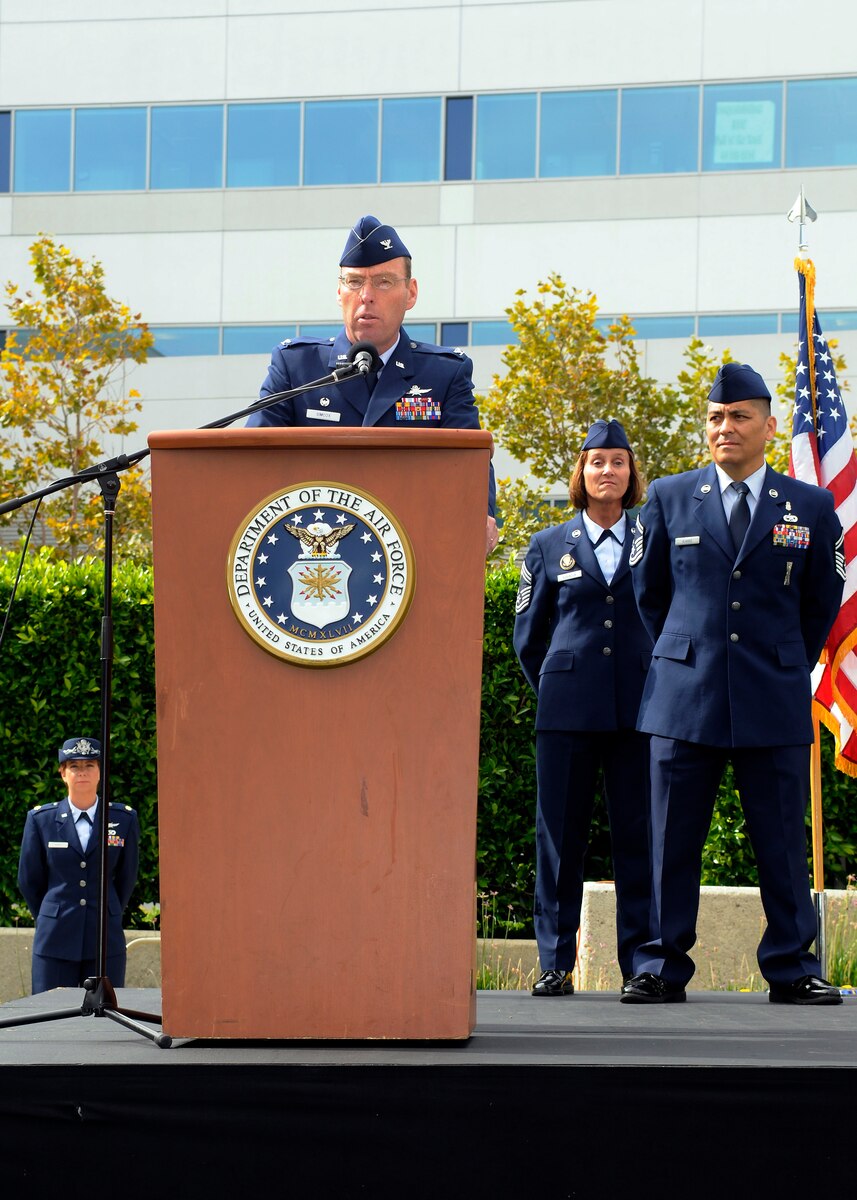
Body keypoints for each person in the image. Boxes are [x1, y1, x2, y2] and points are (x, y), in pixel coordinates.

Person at [622, 362, 845, 1005]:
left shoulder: (810, 505)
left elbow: (821, 600)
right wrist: (689, 652)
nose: (726, 427)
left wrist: (784, 659)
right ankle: (660, 966)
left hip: (771, 691)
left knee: (781, 839)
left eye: (740, 416)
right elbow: (651, 595)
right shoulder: (668, 496)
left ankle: (791, 966)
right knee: (670, 840)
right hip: (683, 694)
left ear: (769, 426)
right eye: (716, 417)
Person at [248, 214, 498, 553]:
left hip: (415, 551)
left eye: (383, 282)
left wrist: (479, 515)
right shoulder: (297, 367)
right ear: (339, 292)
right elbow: (249, 462)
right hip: (311, 552)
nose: (366, 296)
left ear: (410, 293)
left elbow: (470, 467)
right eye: (354, 282)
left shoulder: (443, 375)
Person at [513, 419, 654, 996]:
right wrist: (555, 684)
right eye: (597, 461)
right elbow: (528, 634)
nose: (607, 471)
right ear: (582, 472)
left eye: (618, 461)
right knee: (559, 838)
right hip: (566, 712)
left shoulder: (655, 537)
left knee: (640, 837)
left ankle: (643, 964)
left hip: (641, 710)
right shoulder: (548, 545)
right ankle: (554, 962)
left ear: (630, 474)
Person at [17, 736, 140, 995]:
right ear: (63, 774)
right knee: (49, 1016)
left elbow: (127, 878)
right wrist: (50, 916)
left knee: (103, 1021)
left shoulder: (123, 818)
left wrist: (110, 909)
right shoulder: (42, 819)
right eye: (74, 766)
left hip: (104, 938)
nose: (82, 772)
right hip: (54, 939)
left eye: (89, 766)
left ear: (100, 773)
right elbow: (29, 880)